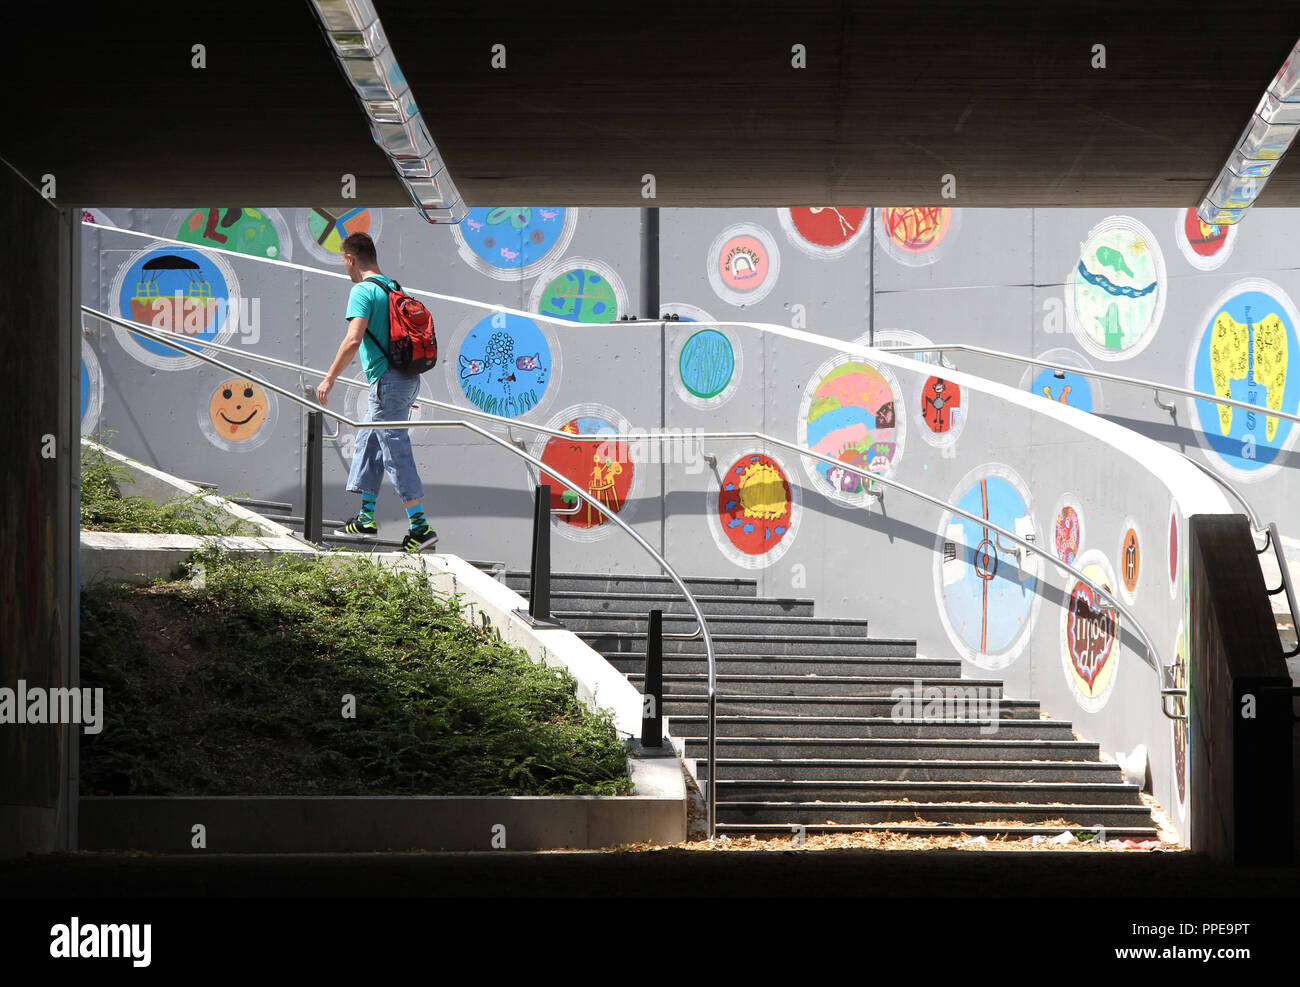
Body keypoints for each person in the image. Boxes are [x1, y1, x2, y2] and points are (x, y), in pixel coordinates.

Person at [315, 231, 437, 552]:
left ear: (350, 259)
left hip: (387, 382)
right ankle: (366, 518)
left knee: (395, 450)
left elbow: (353, 339)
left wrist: (329, 379)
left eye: (344, 261)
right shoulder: (396, 288)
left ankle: (420, 528)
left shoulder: (363, 290)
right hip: (407, 379)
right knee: (369, 440)